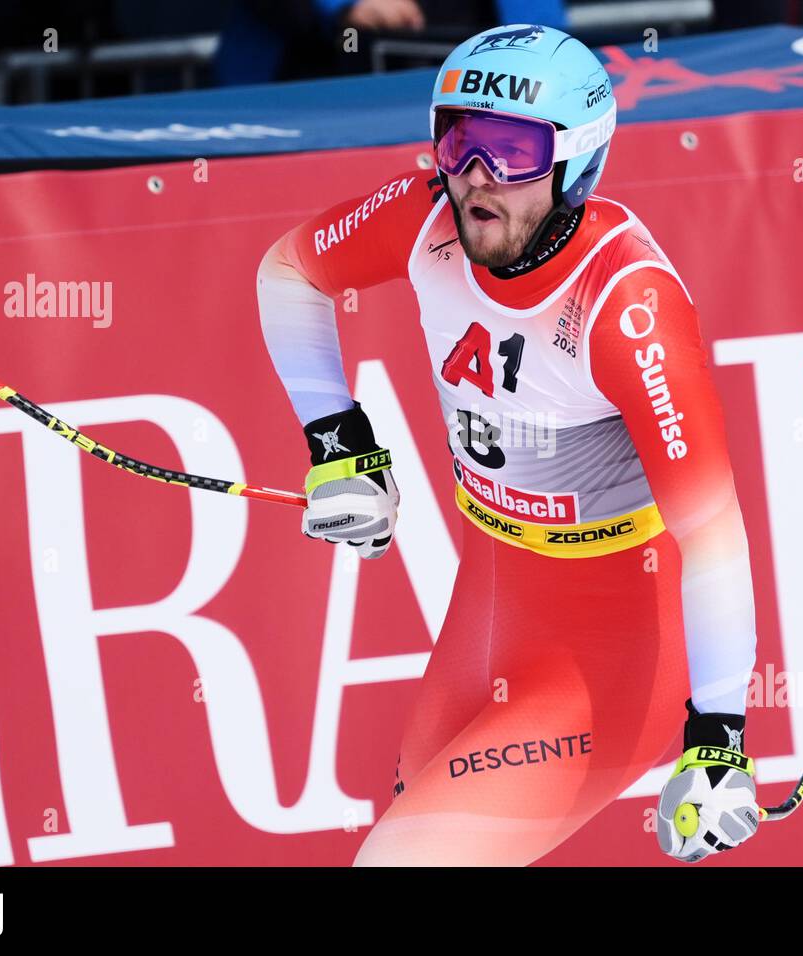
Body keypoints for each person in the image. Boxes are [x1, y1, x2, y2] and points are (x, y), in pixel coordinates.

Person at [256, 23, 761, 866]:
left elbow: (712, 534)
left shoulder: (624, 306)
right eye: (457, 140)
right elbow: (289, 271)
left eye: (511, 149)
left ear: (575, 162)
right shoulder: (427, 219)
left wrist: (718, 739)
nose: (475, 175)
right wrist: (341, 445)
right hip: (486, 615)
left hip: (610, 663)